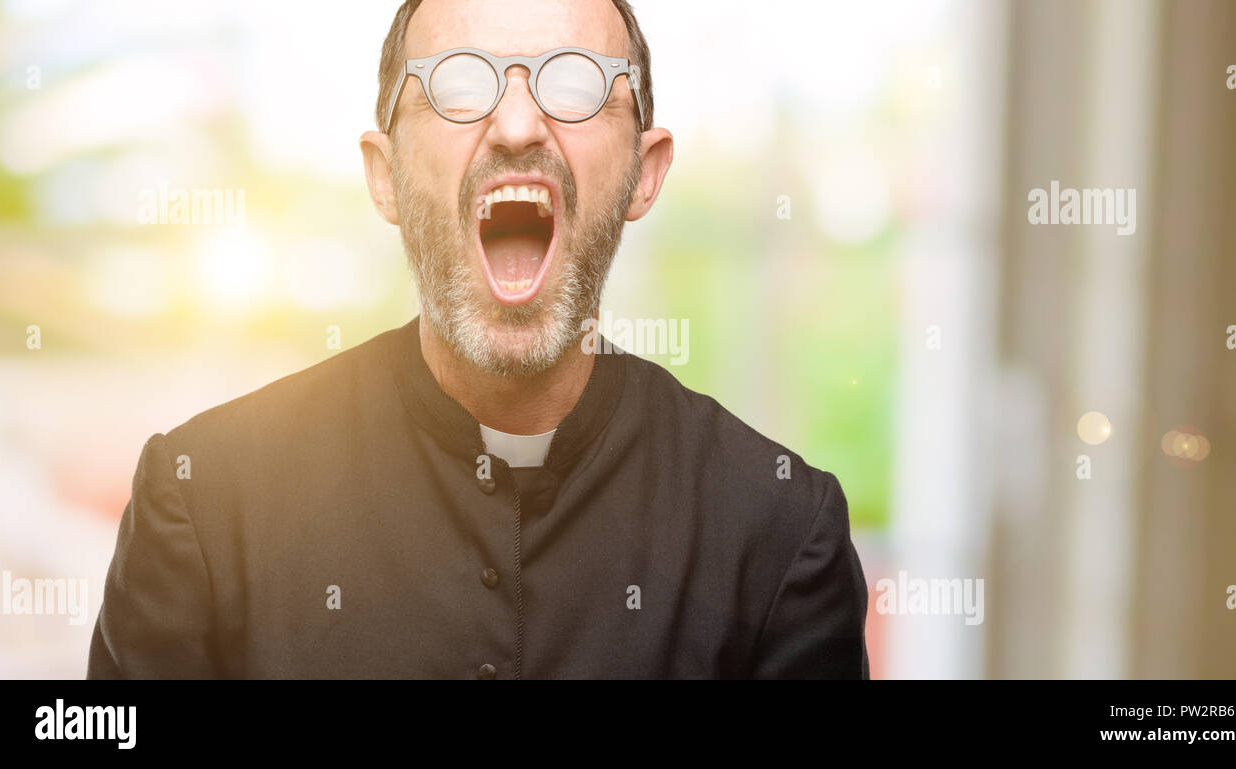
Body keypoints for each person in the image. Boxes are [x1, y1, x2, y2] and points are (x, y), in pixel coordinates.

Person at [88, 0, 870, 679]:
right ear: (384, 173)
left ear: (644, 171)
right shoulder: (203, 505)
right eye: (461, 82)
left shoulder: (779, 538)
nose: (519, 124)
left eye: (574, 81)